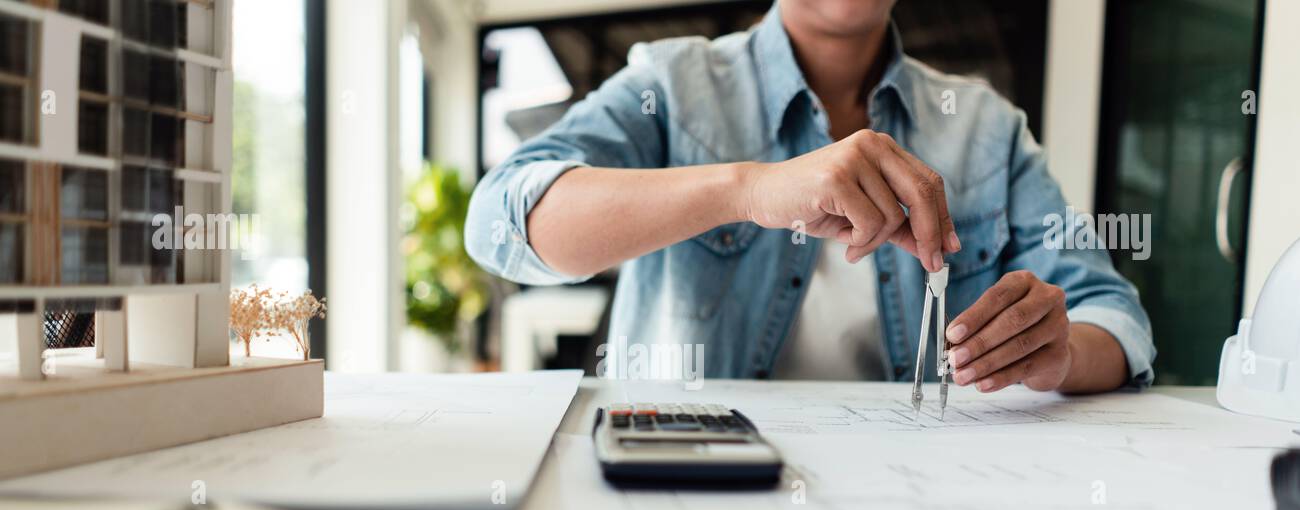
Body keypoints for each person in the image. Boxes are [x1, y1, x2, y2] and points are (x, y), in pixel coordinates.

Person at [465, 0, 1155, 392]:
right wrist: (747, 187)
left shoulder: (984, 126)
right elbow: (500, 223)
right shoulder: (673, 87)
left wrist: (1059, 354)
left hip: (916, 507)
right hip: (695, 499)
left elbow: (1114, 315)